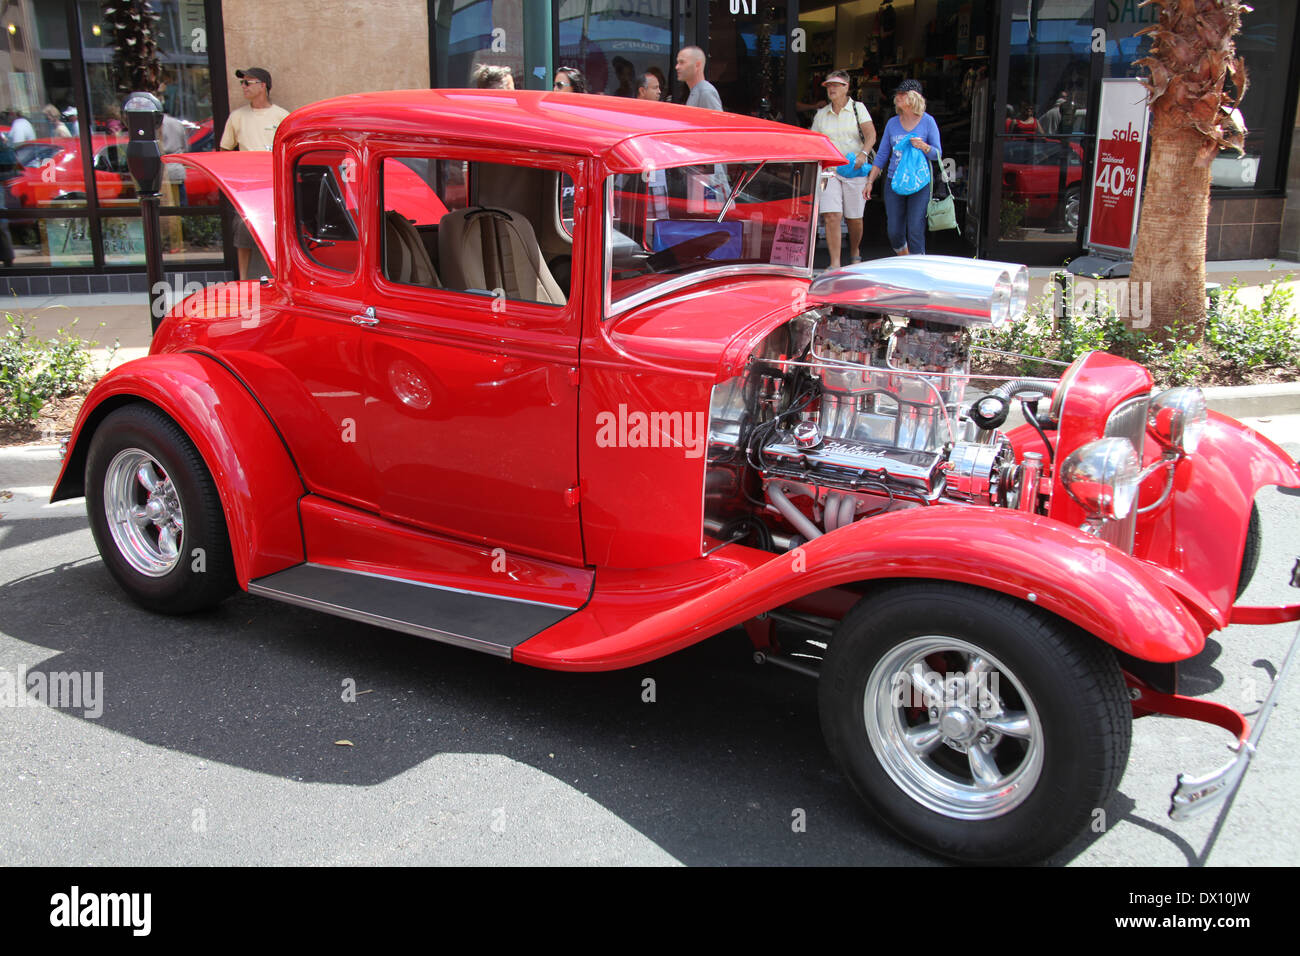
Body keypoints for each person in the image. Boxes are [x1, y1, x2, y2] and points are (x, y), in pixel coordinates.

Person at [220, 67, 290, 278]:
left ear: (263, 86)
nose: (243, 87)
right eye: (242, 83)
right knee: (243, 229)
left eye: (248, 82)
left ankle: (278, 275)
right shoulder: (237, 117)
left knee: (277, 230)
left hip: (274, 184)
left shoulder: (282, 116)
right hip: (247, 187)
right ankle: (242, 278)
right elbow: (225, 150)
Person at [865, 79, 942, 256]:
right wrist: (870, 181)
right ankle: (905, 257)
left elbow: (937, 154)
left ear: (914, 97)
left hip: (919, 182)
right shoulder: (892, 123)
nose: (897, 97)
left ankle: (917, 265)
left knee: (915, 228)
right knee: (894, 231)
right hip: (895, 181)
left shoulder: (928, 122)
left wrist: (924, 146)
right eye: (897, 94)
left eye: (902, 94)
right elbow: (883, 154)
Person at [811, 70, 876, 269]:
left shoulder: (858, 108)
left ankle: (855, 251)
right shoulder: (821, 115)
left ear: (846, 87)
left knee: (854, 218)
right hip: (830, 170)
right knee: (831, 215)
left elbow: (871, 135)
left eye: (835, 85)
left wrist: (863, 154)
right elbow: (814, 141)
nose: (831, 89)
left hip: (855, 169)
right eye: (828, 85)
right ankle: (835, 263)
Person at [676, 46, 722, 111]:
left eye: (682, 62)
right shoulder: (697, 91)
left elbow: (717, 121)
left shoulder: (706, 92)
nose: (677, 67)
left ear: (697, 65)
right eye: (677, 62)